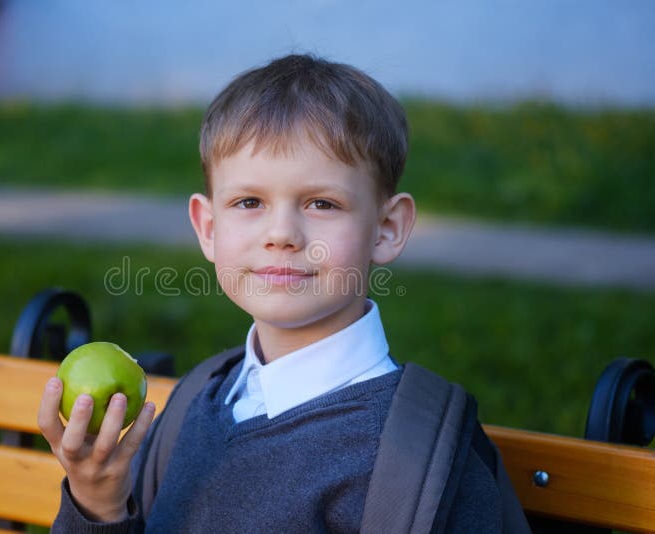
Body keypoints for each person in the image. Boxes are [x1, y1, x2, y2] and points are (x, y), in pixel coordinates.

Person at [38, 53, 529, 533]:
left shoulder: (418, 469)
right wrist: (97, 506)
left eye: (321, 203)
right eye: (249, 201)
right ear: (208, 228)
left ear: (386, 228)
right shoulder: (193, 405)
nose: (282, 233)